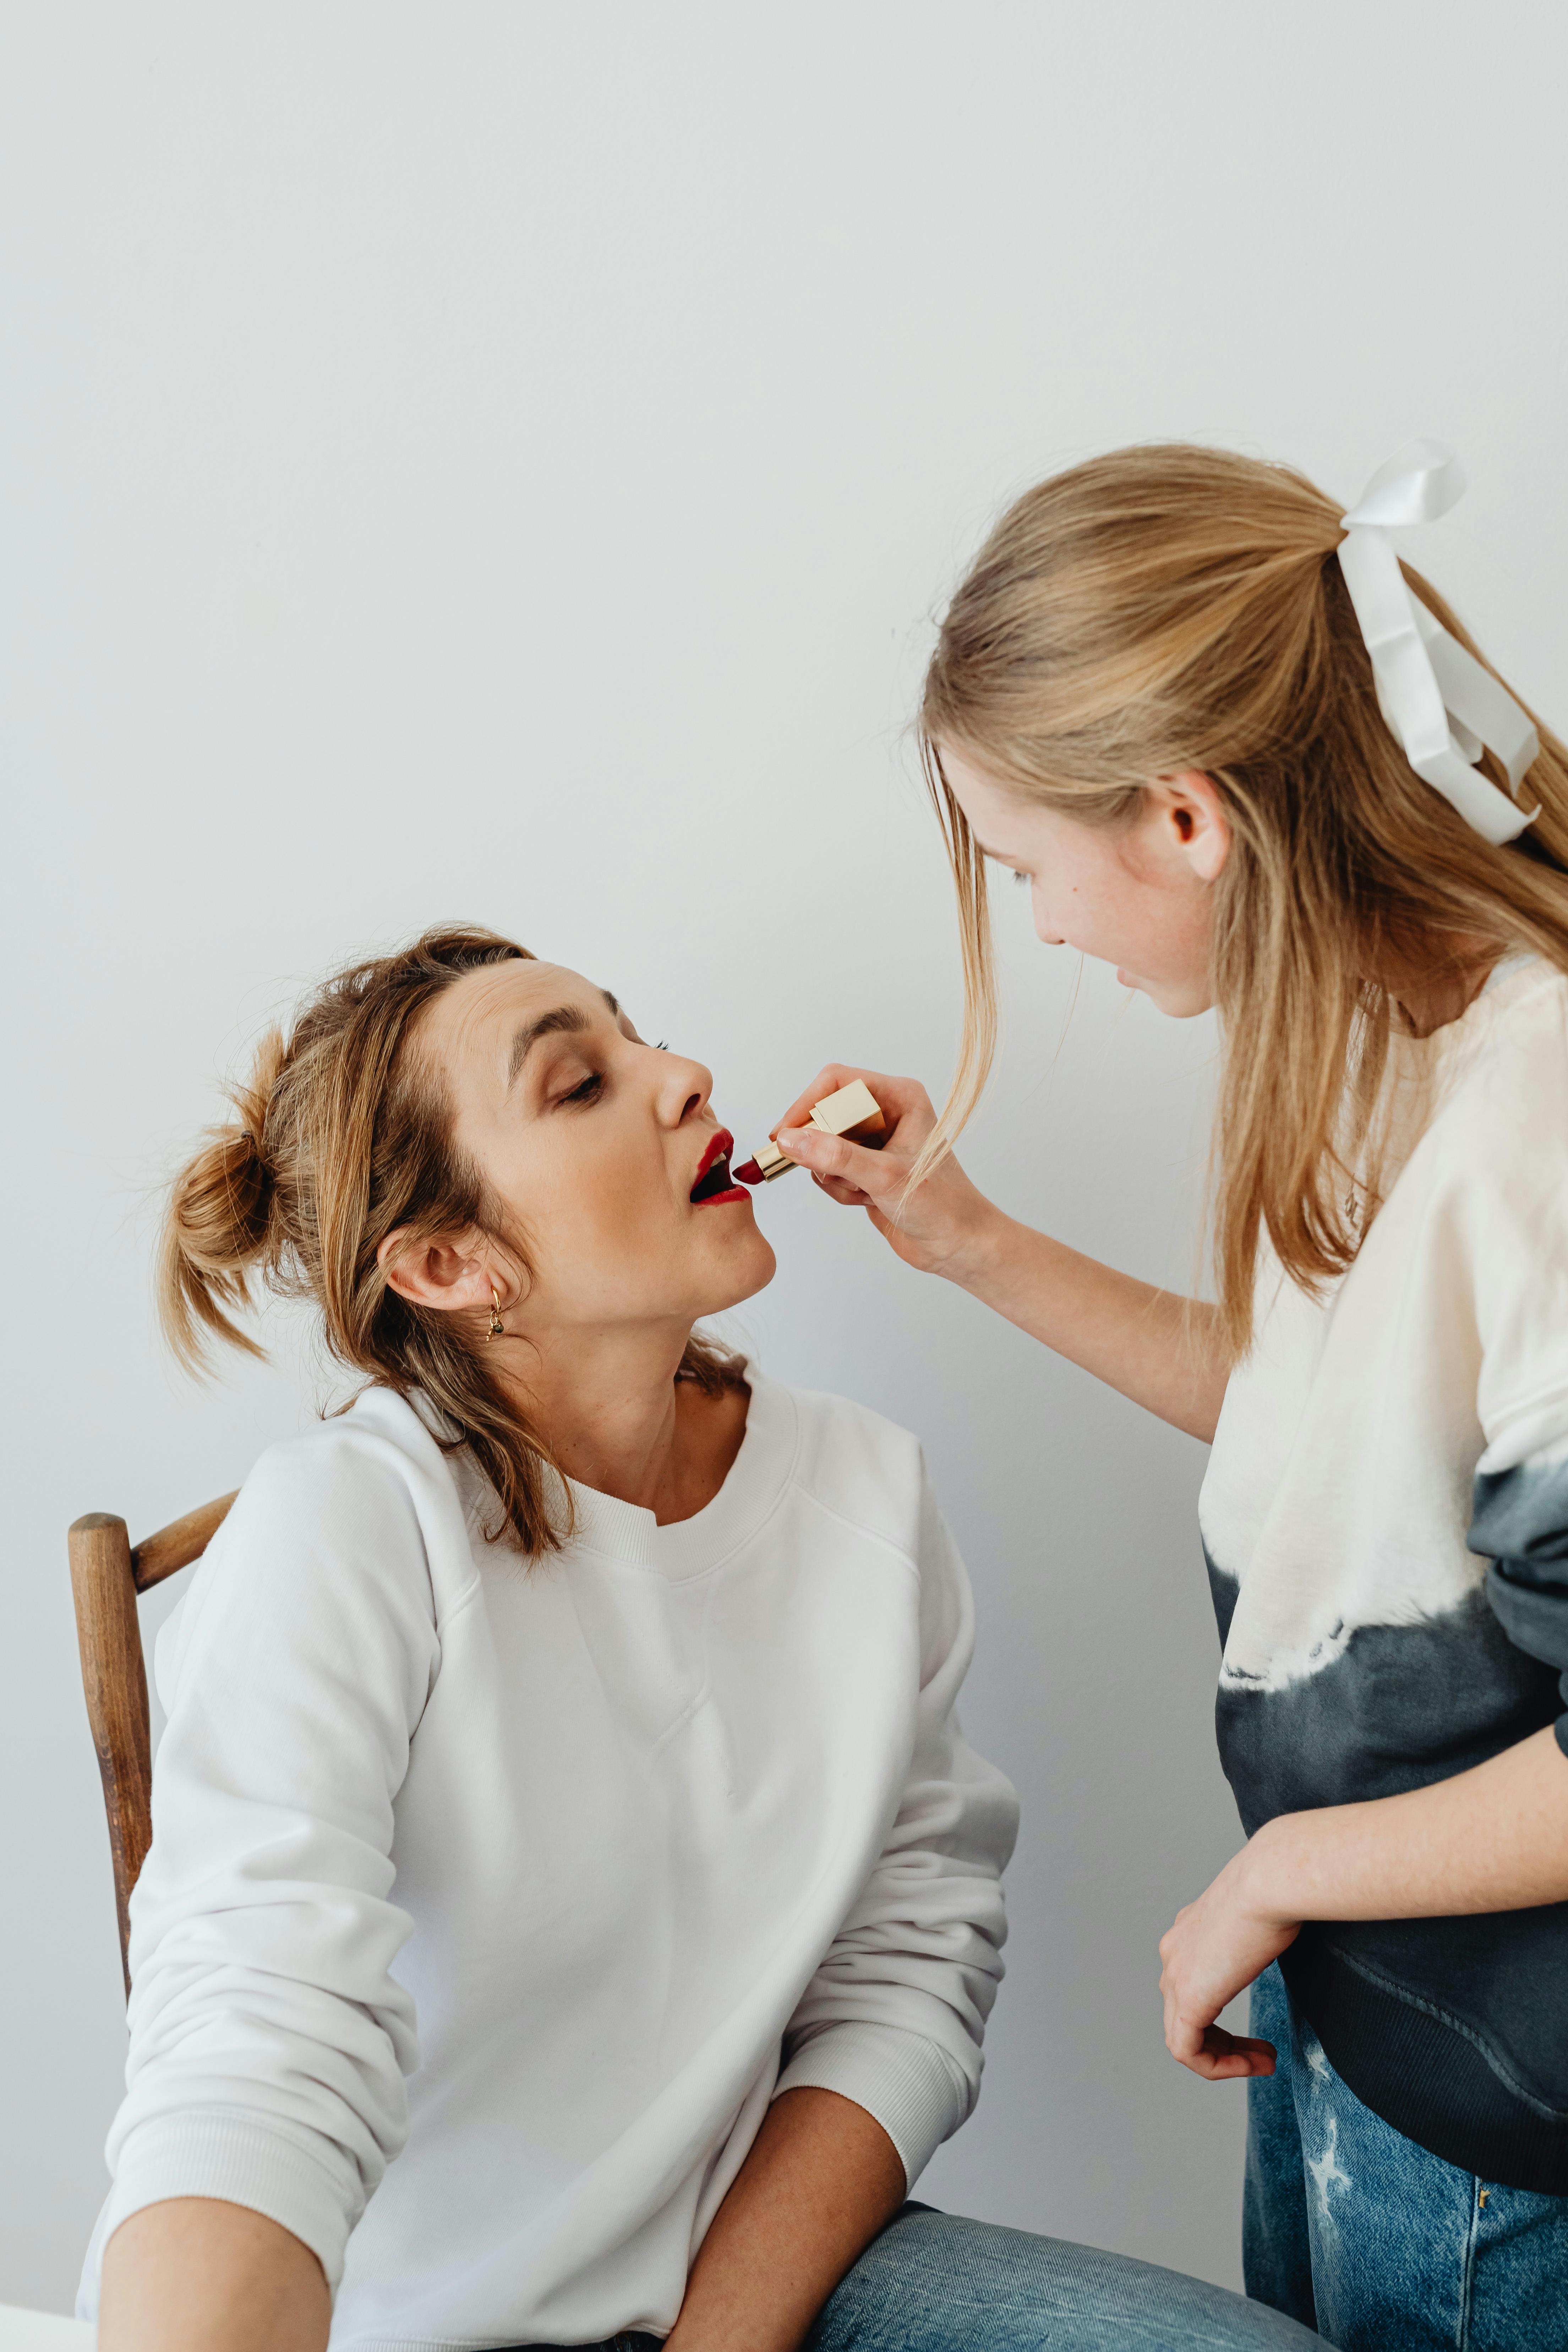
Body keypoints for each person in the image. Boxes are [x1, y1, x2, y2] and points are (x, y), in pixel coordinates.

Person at [81, 926, 1319, 2352]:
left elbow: (907, 1972)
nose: (683, 1077)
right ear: (447, 1260)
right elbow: (252, 2056)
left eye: (638, 1037)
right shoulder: (344, 1530)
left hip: (768, 2272)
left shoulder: (863, 1489)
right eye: (576, 1084)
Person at [766, 441, 1568, 2352]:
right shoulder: (1389, 1013)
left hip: (1500, 2128)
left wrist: (1280, 1872)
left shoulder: (1538, 1134)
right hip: (1367, 2001)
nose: (1039, 923)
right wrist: (966, 1240)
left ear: (1187, 821)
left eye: (1035, 865)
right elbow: (1336, 1447)